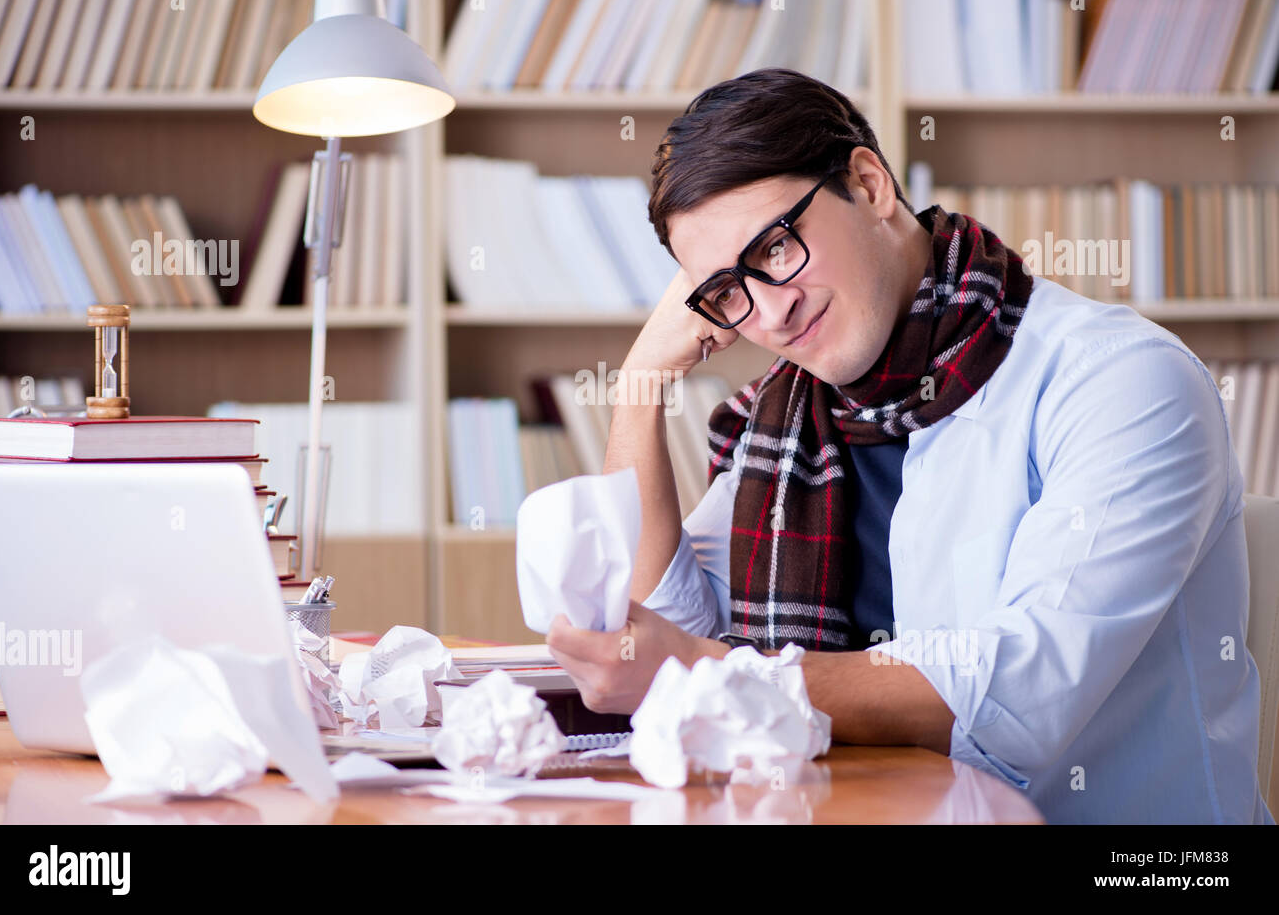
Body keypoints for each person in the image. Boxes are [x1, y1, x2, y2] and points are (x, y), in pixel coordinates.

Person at [544, 67, 1273, 824]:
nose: (771, 312)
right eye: (729, 290)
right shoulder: (796, 421)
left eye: (774, 248)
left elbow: (1019, 695)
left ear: (868, 184)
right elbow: (666, 628)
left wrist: (703, 670)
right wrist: (638, 384)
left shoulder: (1120, 380)